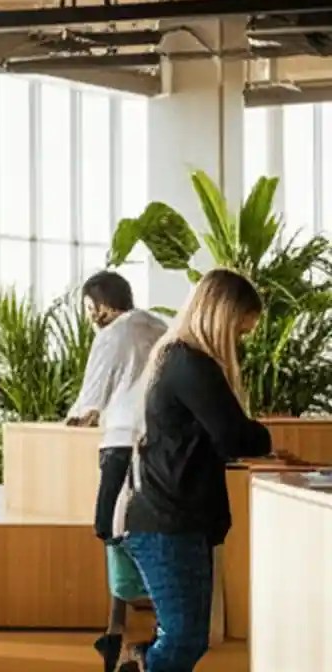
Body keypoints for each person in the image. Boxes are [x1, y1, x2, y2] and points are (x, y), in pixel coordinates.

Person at [118, 268, 272, 671]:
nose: (238, 344)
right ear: (221, 318)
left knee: (187, 636)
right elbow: (236, 436)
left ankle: (139, 664)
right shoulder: (190, 362)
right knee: (185, 636)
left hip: (171, 517)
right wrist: (264, 438)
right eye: (239, 331)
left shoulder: (176, 357)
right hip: (166, 521)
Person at [65, 271, 167, 672]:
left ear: (103, 304)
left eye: (91, 307)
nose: (91, 315)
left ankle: (121, 630)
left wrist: (79, 416)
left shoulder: (112, 334)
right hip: (160, 444)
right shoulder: (158, 325)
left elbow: (91, 398)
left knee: (111, 527)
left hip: (122, 443)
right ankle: (134, 626)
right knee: (147, 529)